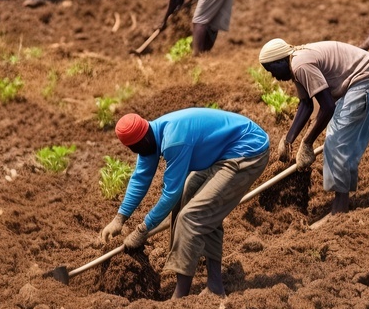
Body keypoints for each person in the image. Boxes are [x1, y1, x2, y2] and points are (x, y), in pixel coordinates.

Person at [99, 109, 269, 298]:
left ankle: (181, 295)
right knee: (194, 199)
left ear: (144, 136)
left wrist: (143, 229)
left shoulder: (173, 140)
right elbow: (141, 178)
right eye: (133, 149)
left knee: (192, 216)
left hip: (247, 150)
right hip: (222, 154)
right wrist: (119, 218)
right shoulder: (150, 137)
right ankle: (215, 286)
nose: (137, 152)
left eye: (137, 147)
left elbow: (171, 194)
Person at [259, 38, 369, 214]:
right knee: (337, 137)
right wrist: (288, 139)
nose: (274, 76)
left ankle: (339, 210)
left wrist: (307, 142)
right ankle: (341, 202)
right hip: (358, 77)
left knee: (337, 140)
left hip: (366, 76)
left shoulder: (300, 65)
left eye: (272, 70)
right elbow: (306, 104)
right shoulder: (294, 64)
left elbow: (327, 107)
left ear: (280, 60)